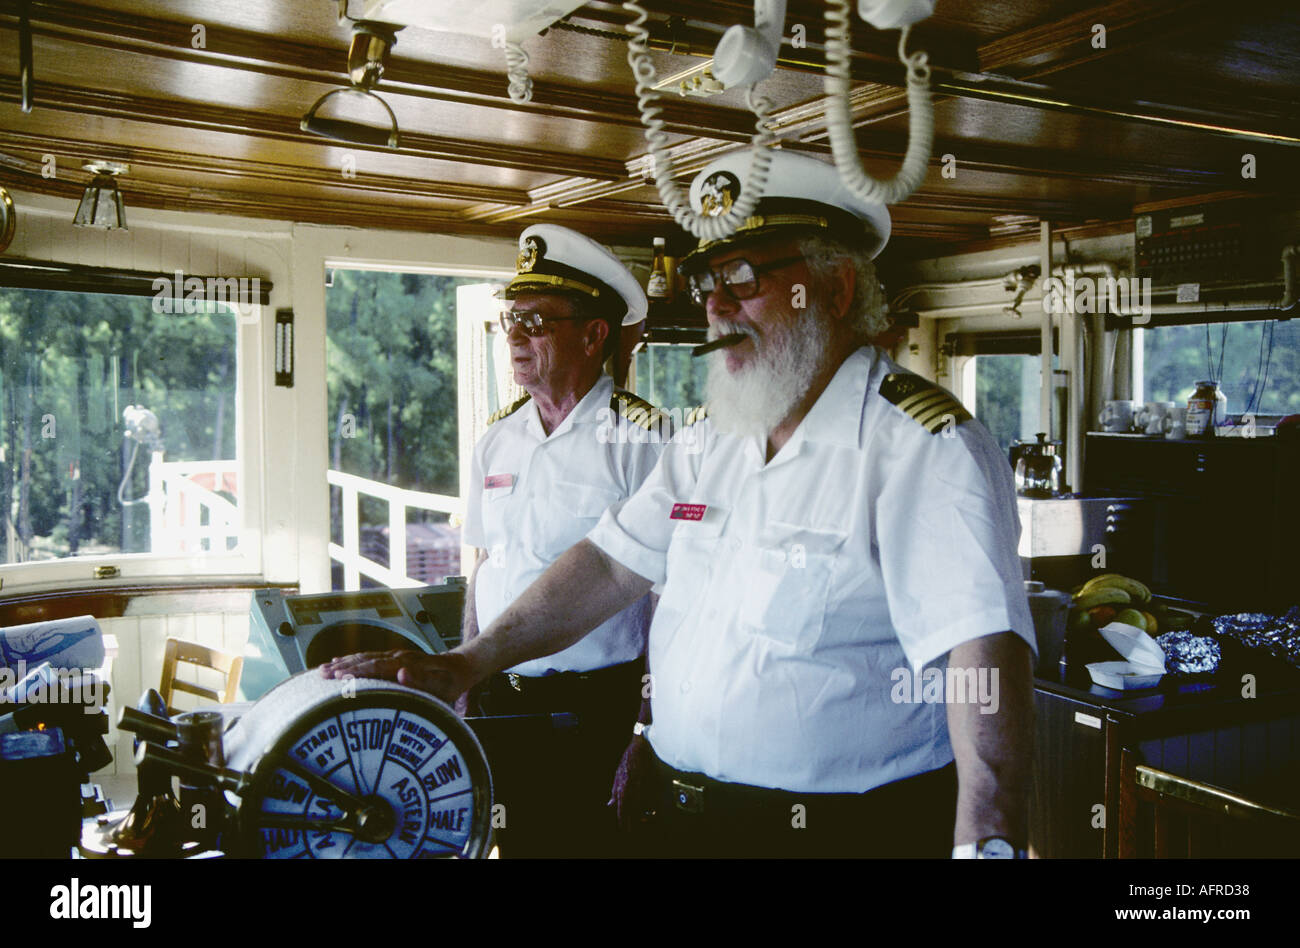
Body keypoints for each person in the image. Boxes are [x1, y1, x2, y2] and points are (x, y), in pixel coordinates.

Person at [325, 152, 1037, 858]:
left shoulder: (925, 447)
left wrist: (991, 841)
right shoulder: (709, 443)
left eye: (744, 280)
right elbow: (608, 565)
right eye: (707, 283)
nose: (715, 306)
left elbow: (983, 657)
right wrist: (468, 662)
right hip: (686, 818)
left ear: (836, 285)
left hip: (841, 832)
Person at [455, 223, 666, 857]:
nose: (515, 335)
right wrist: (467, 677)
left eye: (536, 322)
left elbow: (668, 592)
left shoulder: (641, 438)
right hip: (500, 696)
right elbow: (485, 564)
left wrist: (646, 727)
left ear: (594, 332)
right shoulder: (496, 438)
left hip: (597, 707)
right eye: (509, 320)